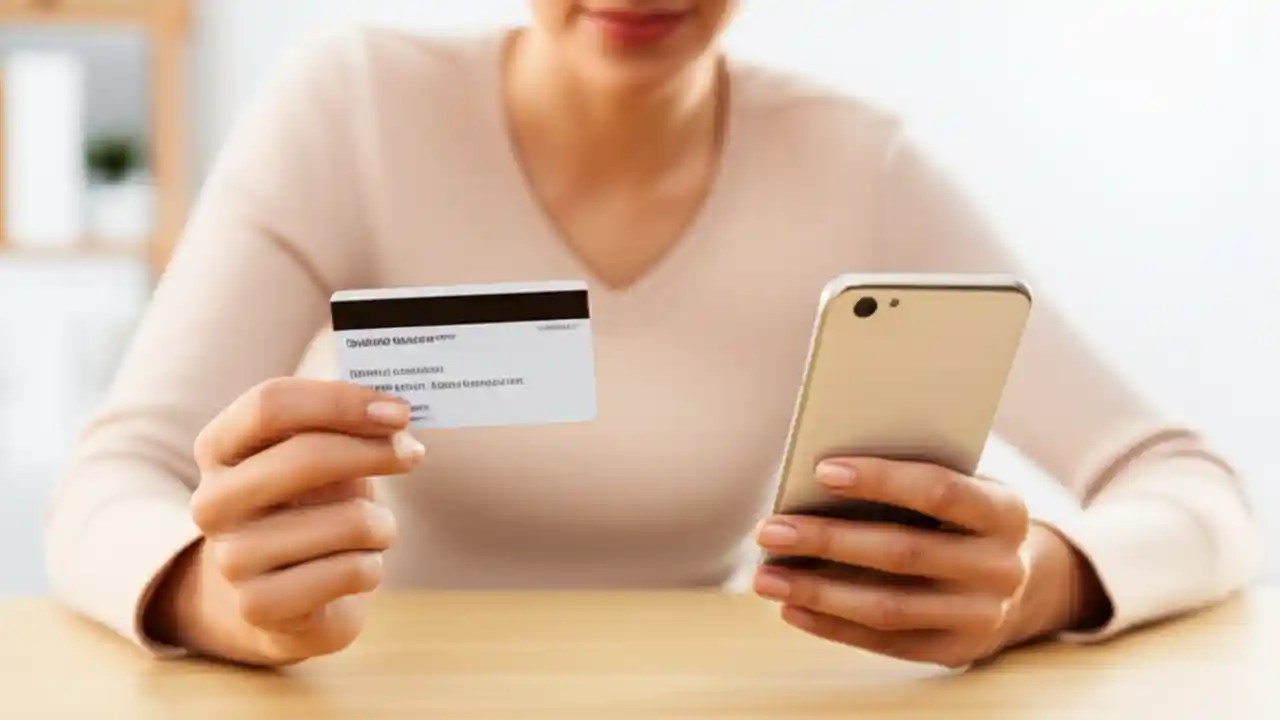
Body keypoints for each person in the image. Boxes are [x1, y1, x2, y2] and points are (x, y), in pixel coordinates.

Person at [47, 0, 1256, 668]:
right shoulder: (353, 106)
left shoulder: (852, 165)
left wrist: (1040, 585)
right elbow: (112, 481)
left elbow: (1191, 487)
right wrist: (213, 597)